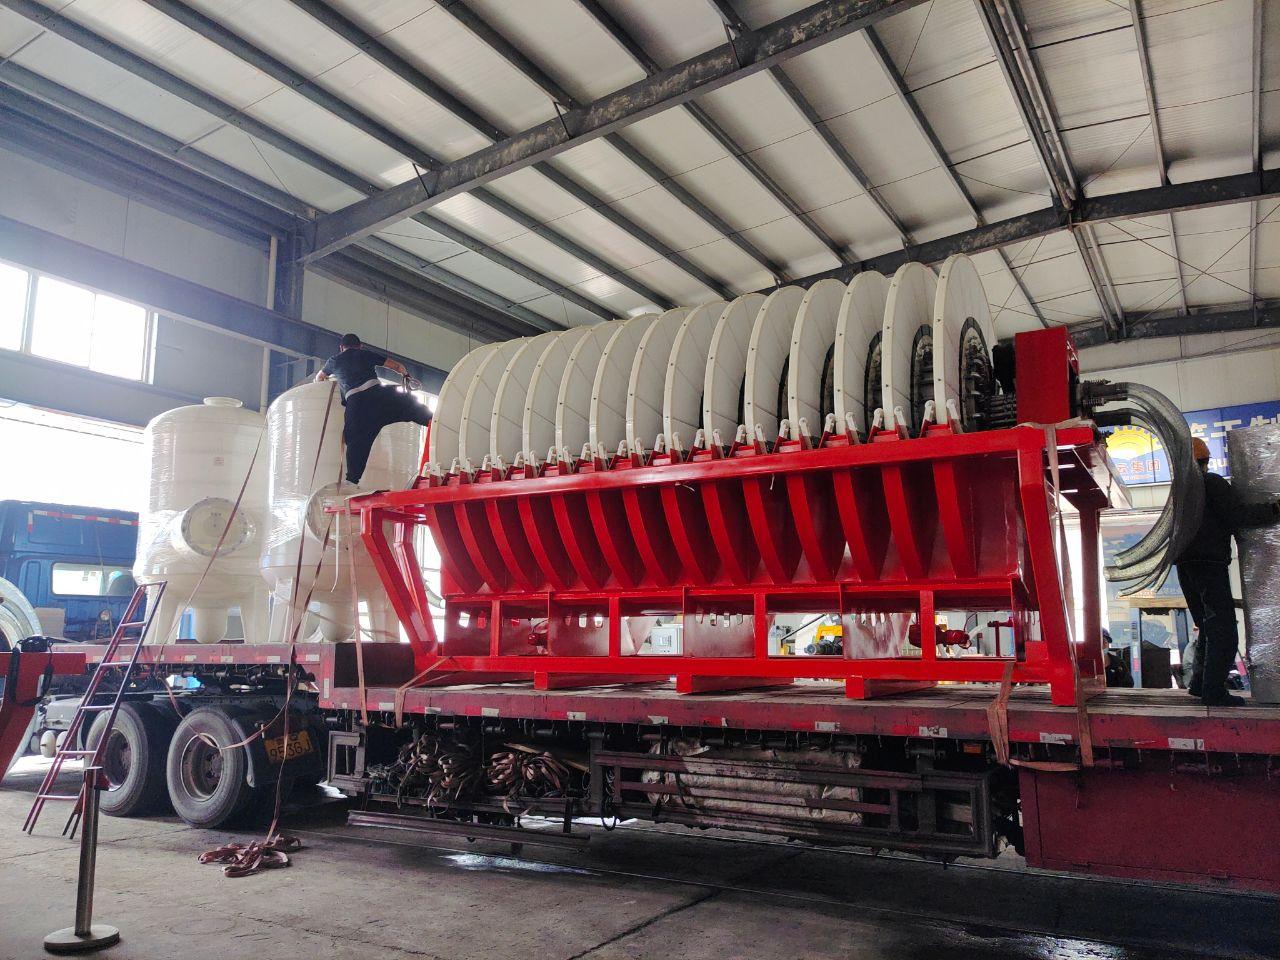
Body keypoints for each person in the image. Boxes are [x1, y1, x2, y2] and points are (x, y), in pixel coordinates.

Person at [1175, 437, 1280, 706]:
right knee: (1223, 630)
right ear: (1204, 462)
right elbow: (1238, 515)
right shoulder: (1210, 483)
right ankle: (1213, 691)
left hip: (1185, 566)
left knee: (1207, 626)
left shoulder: (1180, 491)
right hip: (1209, 564)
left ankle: (1199, 684)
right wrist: (1275, 509)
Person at [315, 333, 431, 485]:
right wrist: (406, 375)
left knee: (356, 443)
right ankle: (434, 422)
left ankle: (352, 481)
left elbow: (319, 378)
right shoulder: (365, 354)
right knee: (409, 405)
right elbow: (397, 366)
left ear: (341, 347)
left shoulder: (333, 361)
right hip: (378, 397)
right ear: (360, 346)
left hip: (356, 406)